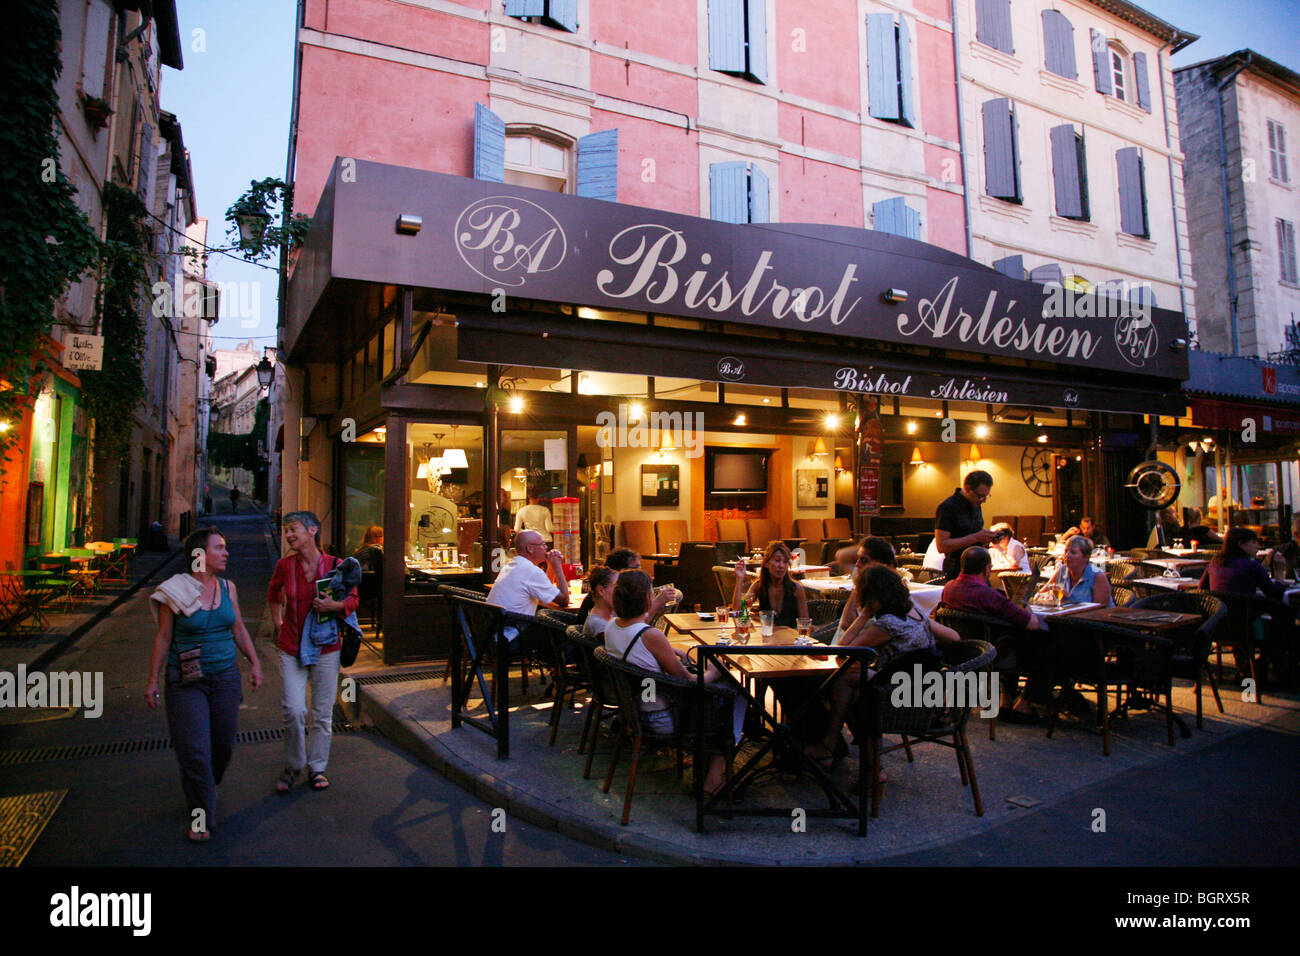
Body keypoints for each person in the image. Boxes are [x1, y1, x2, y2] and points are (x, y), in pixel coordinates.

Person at [145, 527, 262, 843]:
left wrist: (255, 661)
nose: (226, 553)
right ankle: (201, 816)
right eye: (219, 548)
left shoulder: (229, 588)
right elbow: (164, 637)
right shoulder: (174, 590)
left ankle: (203, 783)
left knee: (221, 747)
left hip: (224, 677)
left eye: (225, 547)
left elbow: (237, 627)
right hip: (185, 681)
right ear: (200, 554)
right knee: (195, 750)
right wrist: (152, 679)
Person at [603, 571, 735, 797]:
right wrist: (717, 670)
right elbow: (688, 680)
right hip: (663, 718)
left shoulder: (612, 626)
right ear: (646, 598)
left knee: (721, 692)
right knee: (733, 690)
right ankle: (714, 776)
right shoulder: (651, 636)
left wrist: (670, 651)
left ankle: (708, 769)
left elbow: (639, 630)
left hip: (633, 712)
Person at [807, 564, 940, 783]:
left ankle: (851, 757)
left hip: (899, 697)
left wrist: (863, 615)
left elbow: (842, 651)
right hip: (921, 688)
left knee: (844, 685)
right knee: (849, 682)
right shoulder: (914, 613)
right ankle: (845, 753)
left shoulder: (888, 624)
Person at [267, 510, 358, 794]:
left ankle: (317, 767)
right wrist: (278, 623)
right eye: (287, 531)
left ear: (312, 531)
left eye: (294, 529)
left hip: (326, 647)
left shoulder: (335, 565)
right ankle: (294, 764)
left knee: (321, 712)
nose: (289, 535)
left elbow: (353, 599)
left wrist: (334, 607)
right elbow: (273, 593)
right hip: (291, 646)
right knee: (294, 710)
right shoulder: (285, 565)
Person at [940, 546, 1045, 723]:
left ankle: (1006, 699)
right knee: (1043, 641)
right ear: (986, 569)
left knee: (1011, 636)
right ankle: (1025, 704)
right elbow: (1031, 624)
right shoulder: (989, 596)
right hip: (990, 654)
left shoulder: (949, 588)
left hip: (959, 652)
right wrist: (1025, 605)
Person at [1200, 527, 1296, 688]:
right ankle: (1270, 669)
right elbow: (1275, 594)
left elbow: (1202, 588)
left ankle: (1247, 669)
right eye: (1253, 542)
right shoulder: (1251, 566)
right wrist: (1279, 574)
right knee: (1286, 622)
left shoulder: (1215, 562)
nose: (1257, 546)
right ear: (1241, 544)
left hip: (1217, 626)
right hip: (1245, 626)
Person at [486, 529, 570, 644]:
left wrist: (550, 566)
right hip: (511, 636)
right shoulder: (532, 571)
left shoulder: (512, 565)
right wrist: (557, 567)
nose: (546, 548)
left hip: (495, 631)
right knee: (564, 631)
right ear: (530, 548)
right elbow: (564, 600)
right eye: (542, 544)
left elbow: (543, 593)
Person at [934, 470, 996, 580]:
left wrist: (987, 537)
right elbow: (941, 545)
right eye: (981, 496)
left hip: (978, 569)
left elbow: (974, 533)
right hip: (957, 571)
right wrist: (976, 537)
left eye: (987, 496)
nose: (984, 500)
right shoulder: (947, 508)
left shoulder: (976, 504)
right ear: (967, 489)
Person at [733, 541, 809, 628]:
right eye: (777, 560)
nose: (781, 566)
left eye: (785, 562)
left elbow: (805, 623)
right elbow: (738, 610)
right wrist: (739, 578)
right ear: (766, 563)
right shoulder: (759, 585)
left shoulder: (796, 588)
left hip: (792, 638)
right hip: (768, 638)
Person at [1039, 535, 1113, 607]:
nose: (1067, 555)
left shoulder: (1097, 576)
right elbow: (1039, 594)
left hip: (1088, 618)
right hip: (1065, 617)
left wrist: (1068, 600)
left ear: (1086, 557)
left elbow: (1101, 610)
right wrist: (1049, 594)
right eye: (1066, 551)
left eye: (1073, 552)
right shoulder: (1062, 570)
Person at [575, 546, 640, 624]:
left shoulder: (604, 594)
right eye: (635, 569)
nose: (639, 573)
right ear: (619, 570)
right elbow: (633, 625)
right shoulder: (607, 598)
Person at [581, 566, 619, 639]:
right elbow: (622, 644)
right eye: (617, 587)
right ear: (601, 591)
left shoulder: (614, 614)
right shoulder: (597, 624)